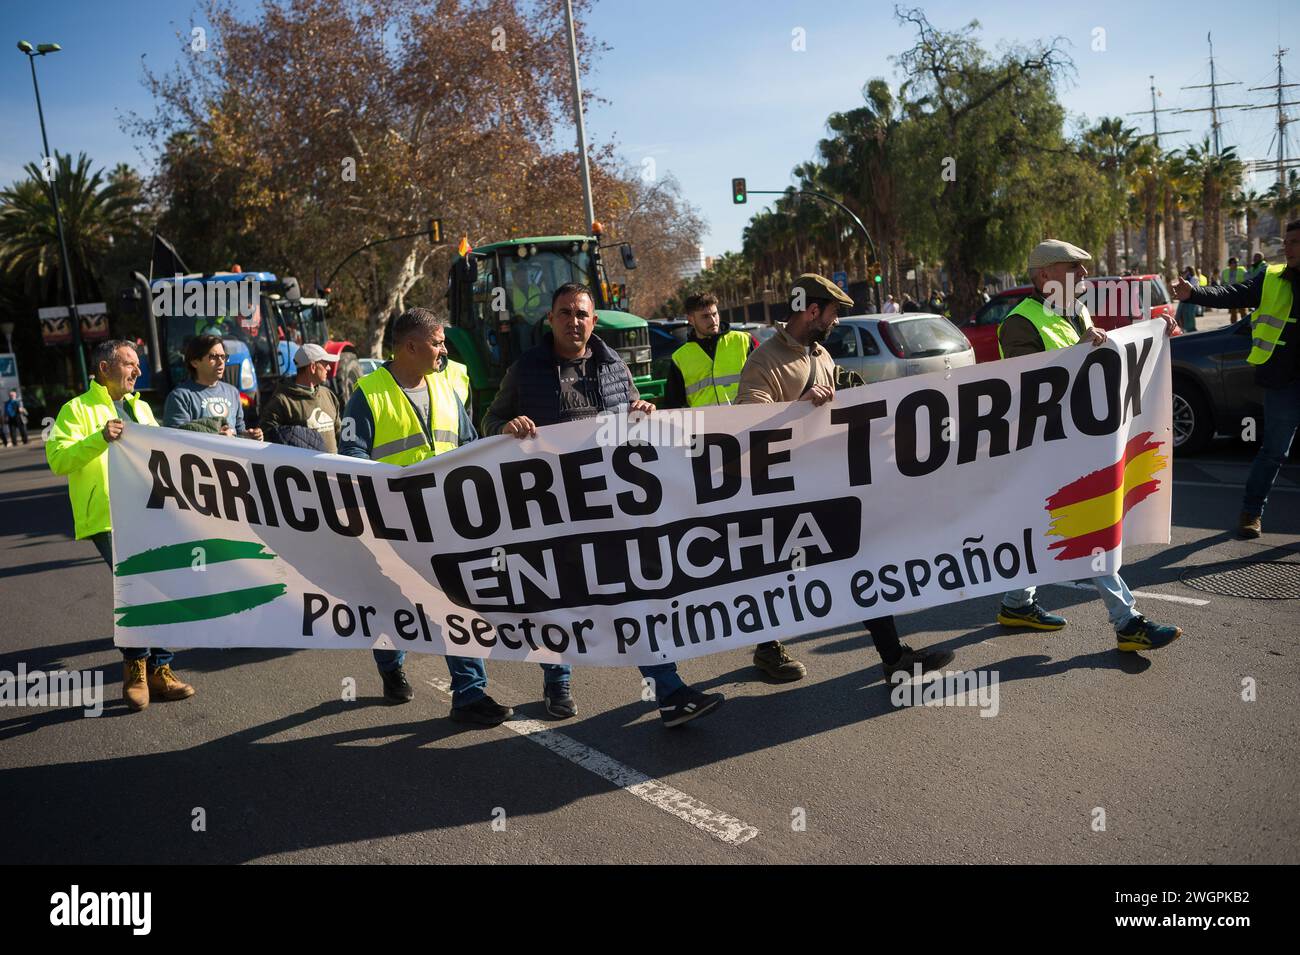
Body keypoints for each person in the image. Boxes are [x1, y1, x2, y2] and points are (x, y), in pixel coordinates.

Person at [483, 283, 725, 727]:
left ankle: (669, 693)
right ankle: (557, 682)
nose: (573, 321)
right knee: (555, 599)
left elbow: (632, 420)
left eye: (581, 314)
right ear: (550, 320)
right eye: (564, 313)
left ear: (593, 321)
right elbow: (490, 420)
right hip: (550, 510)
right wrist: (507, 425)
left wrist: (643, 411)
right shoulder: (526, 370)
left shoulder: (615, 365)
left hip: (610, 509)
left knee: (631, 597)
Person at [737, 273, 956, 682]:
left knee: (859, 564)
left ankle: (894, 658)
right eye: (835, 312)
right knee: (782, 574)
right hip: (784, 492)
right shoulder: (763, 361)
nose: (837, 320)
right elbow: (748, 426)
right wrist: (799, 406)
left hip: (828, 485)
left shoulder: (821, 355)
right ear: (813, 310)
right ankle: (768, 648)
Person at [995, 240, 1182, 653]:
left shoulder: (1075, 311)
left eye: (1083, 269)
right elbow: (1028, 388)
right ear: (1044, 276)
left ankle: (1016, 604)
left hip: (1075, 442)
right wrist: (1078, 353)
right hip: (1045, 448)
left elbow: (1095, 360)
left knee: (1038, 525)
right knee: (1091, 526)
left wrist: (1153, 334)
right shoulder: (1019, 323)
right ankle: (1127, 621)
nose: (1083, 276)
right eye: (1073, 269)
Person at [338, 308, 514, 724]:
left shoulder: (445, 389)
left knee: (457, 603)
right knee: (392, 604)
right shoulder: (368, 393)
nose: (443, 350)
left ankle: (469, 694)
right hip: (392, 526)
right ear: (410, 346)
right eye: (437, 342)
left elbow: (469, 444)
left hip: (447, 522)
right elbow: (352, 459)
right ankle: (390, 665)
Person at [45, 339, 196, 711]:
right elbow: (58, 460)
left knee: (156, 587)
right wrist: (99, 438)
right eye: (130, 363)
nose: (138, 371)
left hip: (151, 515)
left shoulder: (142, 408)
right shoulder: (75, 410)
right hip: (108, 518)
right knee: (136, 585)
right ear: (105, 368)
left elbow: (166, 454)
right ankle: (136, 671)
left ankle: (159, 670)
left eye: (138, 364)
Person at [1173, 220, 1300, 539]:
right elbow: (1234, 293)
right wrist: (1195, 292)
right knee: (1274, 451)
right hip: (1283, 382)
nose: (1286, 246)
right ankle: (1251, 512)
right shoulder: (1272, 277)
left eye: (1294, 241)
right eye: (1285, 241)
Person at [661, 291, 751, 410]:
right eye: (705, 316)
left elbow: (766, 381)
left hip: (745, 420)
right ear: (691, 320)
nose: (713, 321)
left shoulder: (743, 340)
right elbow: (673, 404)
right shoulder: (680, 357)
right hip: (705, 426)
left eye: (715, 314)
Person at [163, 334, 263, 440]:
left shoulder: (233, 392)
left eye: (223, 357)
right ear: (194, 362)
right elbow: (176, 439)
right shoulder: (180, 397)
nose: (221, 362)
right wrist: (216, 438)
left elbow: (238, 430)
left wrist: (249, 436)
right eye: (213, 357)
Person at [259, 343, 342, 452]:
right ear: (312, 367)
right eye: (325, 363)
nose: (329, 368)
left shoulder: (329, 395)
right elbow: (266, 437)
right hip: (303, 469)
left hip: (333, 468)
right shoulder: (283, 401)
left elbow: (339, 434)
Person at [1222, 257, 1248, 323]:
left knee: (1243, 312)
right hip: (1231, 294)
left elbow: (1248, 280)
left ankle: (1246, 325)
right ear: (1230, 264)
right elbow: (1223, 283)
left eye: (1237, 262)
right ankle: (1233, 326)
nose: (1236, 264)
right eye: (1234, 262)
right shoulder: (1225, 272)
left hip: (1241, 293)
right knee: (1233, 312)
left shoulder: (1242, 270)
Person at [1175, 267, 1200, 332]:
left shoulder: (1194, 278)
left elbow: (1193, 288)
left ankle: (1192, 329)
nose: (1186, 272)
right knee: (1185, 314)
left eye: (1187, 271)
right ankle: (1187, 328)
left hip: (1192, 299)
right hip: (1186, 299)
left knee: (1190, 314)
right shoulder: (1187, 278)